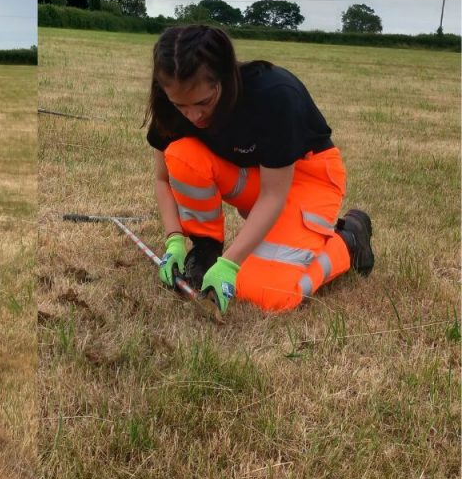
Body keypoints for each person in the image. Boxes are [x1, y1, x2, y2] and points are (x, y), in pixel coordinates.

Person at [146, 24, 375, 315]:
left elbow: (273, 195)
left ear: (226, 78)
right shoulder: (170, 104)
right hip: (259, 177)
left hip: (307, 178)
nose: (192, 115)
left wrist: (231, 264)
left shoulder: (274, 94)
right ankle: (206, 248)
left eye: (204, 102)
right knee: (181, 155)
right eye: (181, 105)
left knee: (267, 292)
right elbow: (162, 178)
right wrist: (174, 239)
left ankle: (350, 242)